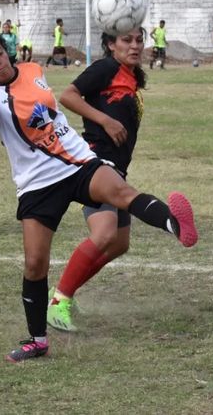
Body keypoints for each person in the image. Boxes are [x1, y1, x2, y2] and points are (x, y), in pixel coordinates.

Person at [0, 31, 198, 363]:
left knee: (122, 192)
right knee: (35, 264)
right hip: (37, 184)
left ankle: (176, 225)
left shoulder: (33, 70)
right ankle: (38, 340)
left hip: (79, 163)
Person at [47, 26, 150, 332]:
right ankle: (58, 303)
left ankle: (66, 290)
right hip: (96, 163)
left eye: (138, 40)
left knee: (119, 244)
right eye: (126, 40)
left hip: (116, 167)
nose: (135, 46)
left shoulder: (131, 76)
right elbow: (66, 96)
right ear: (110, 44)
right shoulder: (105, 67)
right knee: (104, 234)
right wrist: (105, 120)